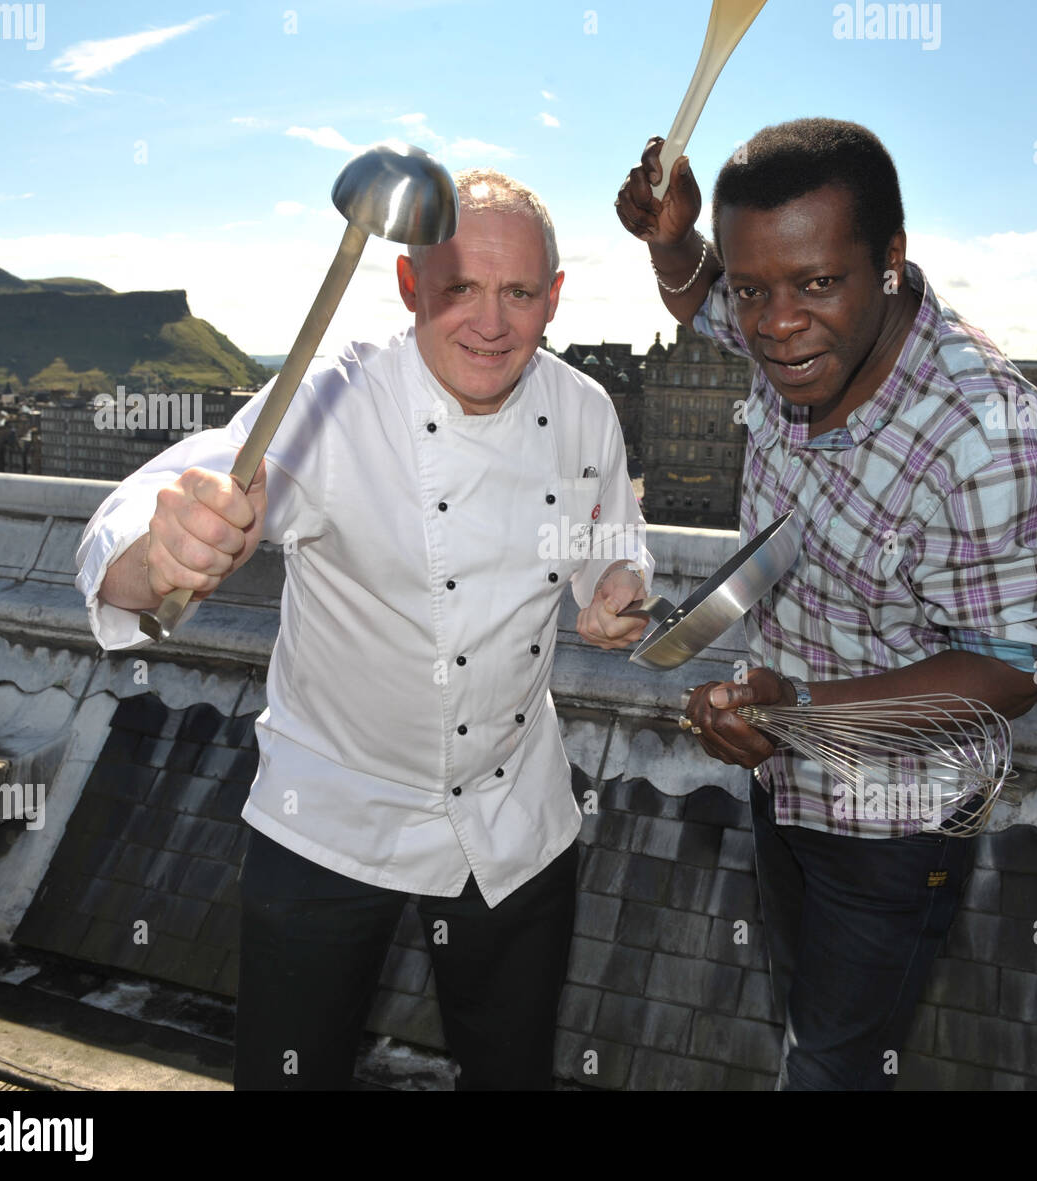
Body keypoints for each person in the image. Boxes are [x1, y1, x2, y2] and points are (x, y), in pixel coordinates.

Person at [76, 168, 652, 1090]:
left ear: (553, 297)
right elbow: (198, 479)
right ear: (409, 285)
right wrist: (163, 547)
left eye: (517, 293)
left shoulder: (585, 409)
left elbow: (612, 535)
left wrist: (620, 582)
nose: (491, 322)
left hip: (513, 810)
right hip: (332, 817)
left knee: (512, 1074)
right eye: (460, 288)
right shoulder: (338, 398)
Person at [615, 119, 1037, 1090]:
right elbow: (699, 296)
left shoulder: (986, 429)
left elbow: (1009, 667)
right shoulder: (792, 333)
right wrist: (672, 238)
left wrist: (799, 711)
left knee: (830, 1063)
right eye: (754, 288)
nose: (776, 324)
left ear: (890, 261)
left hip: (895, 826)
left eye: (817, 282)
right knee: (806, 1020)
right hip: (783, 783)